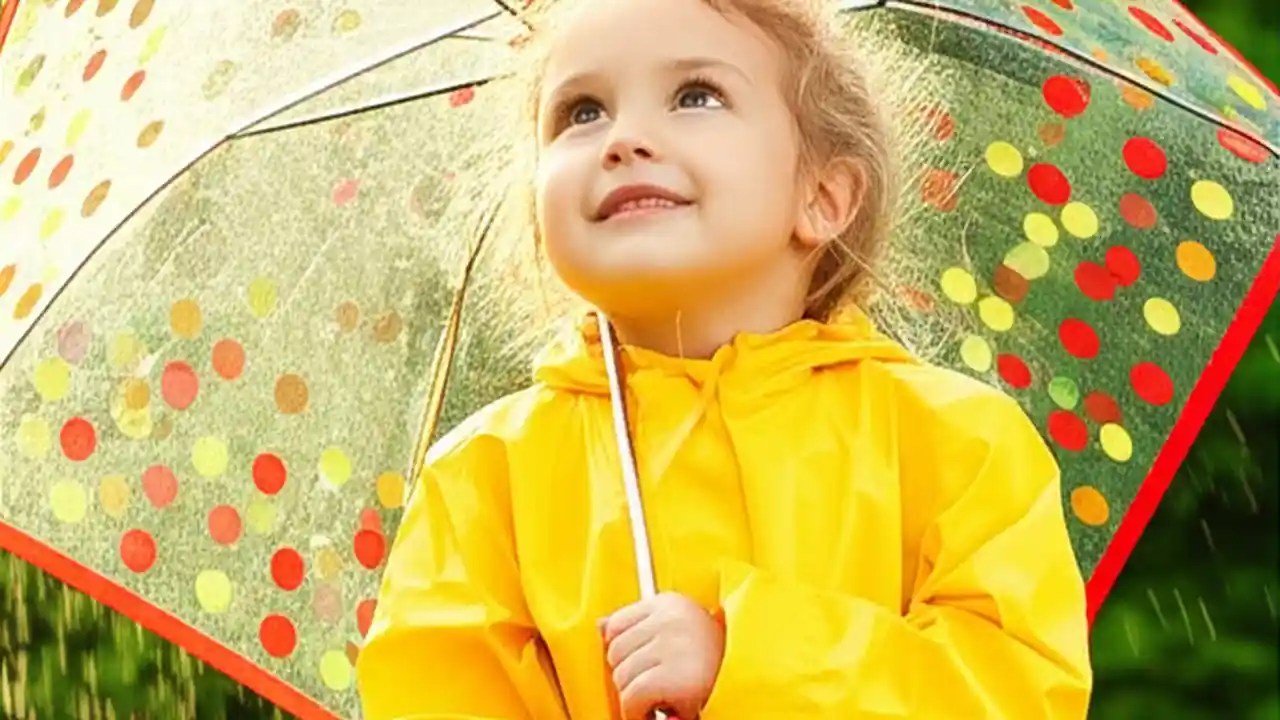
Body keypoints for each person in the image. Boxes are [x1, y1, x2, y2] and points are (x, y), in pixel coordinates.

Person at [356, 0, 1093, 717]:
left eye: (695, 94)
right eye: (582, 112)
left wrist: (747, 658)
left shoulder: (956, 444)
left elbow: (1014, 692)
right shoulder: (484, 479)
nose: (624, 139)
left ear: (823, 195)